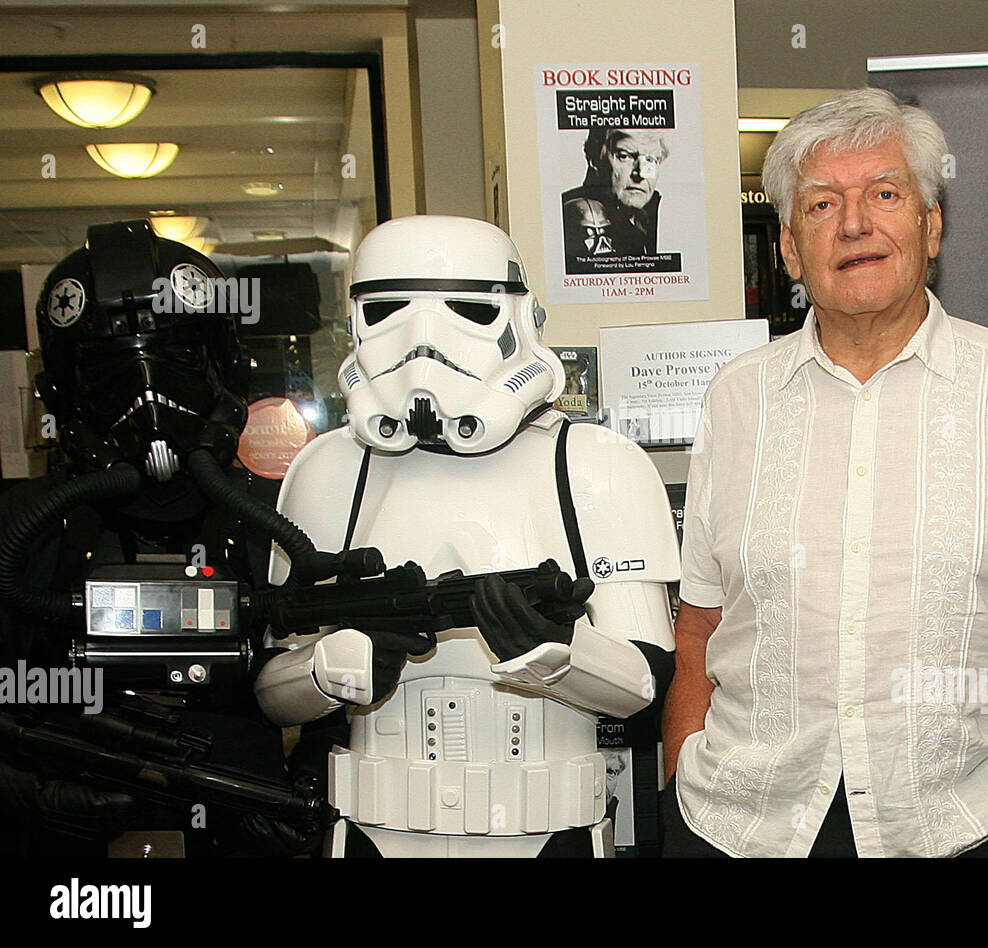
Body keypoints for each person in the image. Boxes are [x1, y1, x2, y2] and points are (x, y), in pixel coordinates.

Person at [661, 87, 988, 858]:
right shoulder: (736, 399)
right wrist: (675, 787)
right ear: (791, 249)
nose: (856, 223)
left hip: (962, 825)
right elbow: (698, 627)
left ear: (931, 228)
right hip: (741, 824)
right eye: (822, 205)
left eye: (886, 194)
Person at [253, 215, 678, 857]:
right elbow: (269, 686)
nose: (424, 343)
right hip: (370, 830)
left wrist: (558, 652)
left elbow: (645, 686)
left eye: (467, 311)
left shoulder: (596, 466)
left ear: (521, 318)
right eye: (390, 311)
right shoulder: (329, 471)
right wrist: (323, 672)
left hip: (546, 831)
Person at [0, 219, 327, 857]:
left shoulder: (279, 519)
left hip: (239, 822)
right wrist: (18, 789)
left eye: (175, 361)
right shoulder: (26, 525)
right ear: (66, 393)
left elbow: (336, 682)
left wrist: (307, 776)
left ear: (223, 371)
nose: (148, 397)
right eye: (112, 373)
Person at [562, 129, 668, 258]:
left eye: (650, 159)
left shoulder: (659, 214)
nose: (641, 173)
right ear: (594, 159)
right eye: (624, 156)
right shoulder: (568, 216)